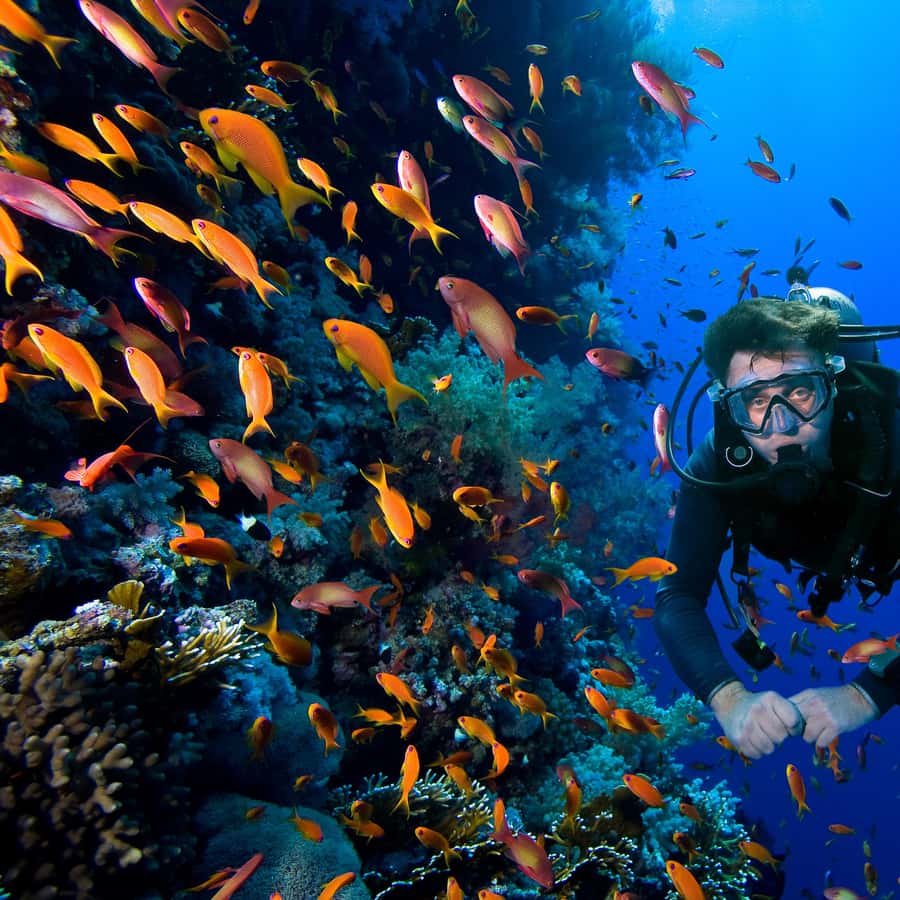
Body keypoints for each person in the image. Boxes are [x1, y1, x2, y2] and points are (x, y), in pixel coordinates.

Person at [655, 295, 900, 759]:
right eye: (756, 401)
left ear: (833, 384)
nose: (782, 425)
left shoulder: (893, 437)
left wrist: (868, 694)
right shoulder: (719, 461)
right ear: (729, 408)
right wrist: (727, 697)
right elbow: (677, 595)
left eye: (801, 391)